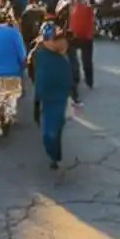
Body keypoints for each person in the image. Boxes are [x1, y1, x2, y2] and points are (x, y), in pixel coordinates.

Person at [33, 25, 73, 169]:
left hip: (59, 97)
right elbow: (38, 78)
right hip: (48, 98)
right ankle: (54, 154)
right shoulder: (41, 56)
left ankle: (55, 156)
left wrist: (72, 93)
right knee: (49, 132)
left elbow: (69, 76)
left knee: (56, 127)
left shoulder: (62, 58)